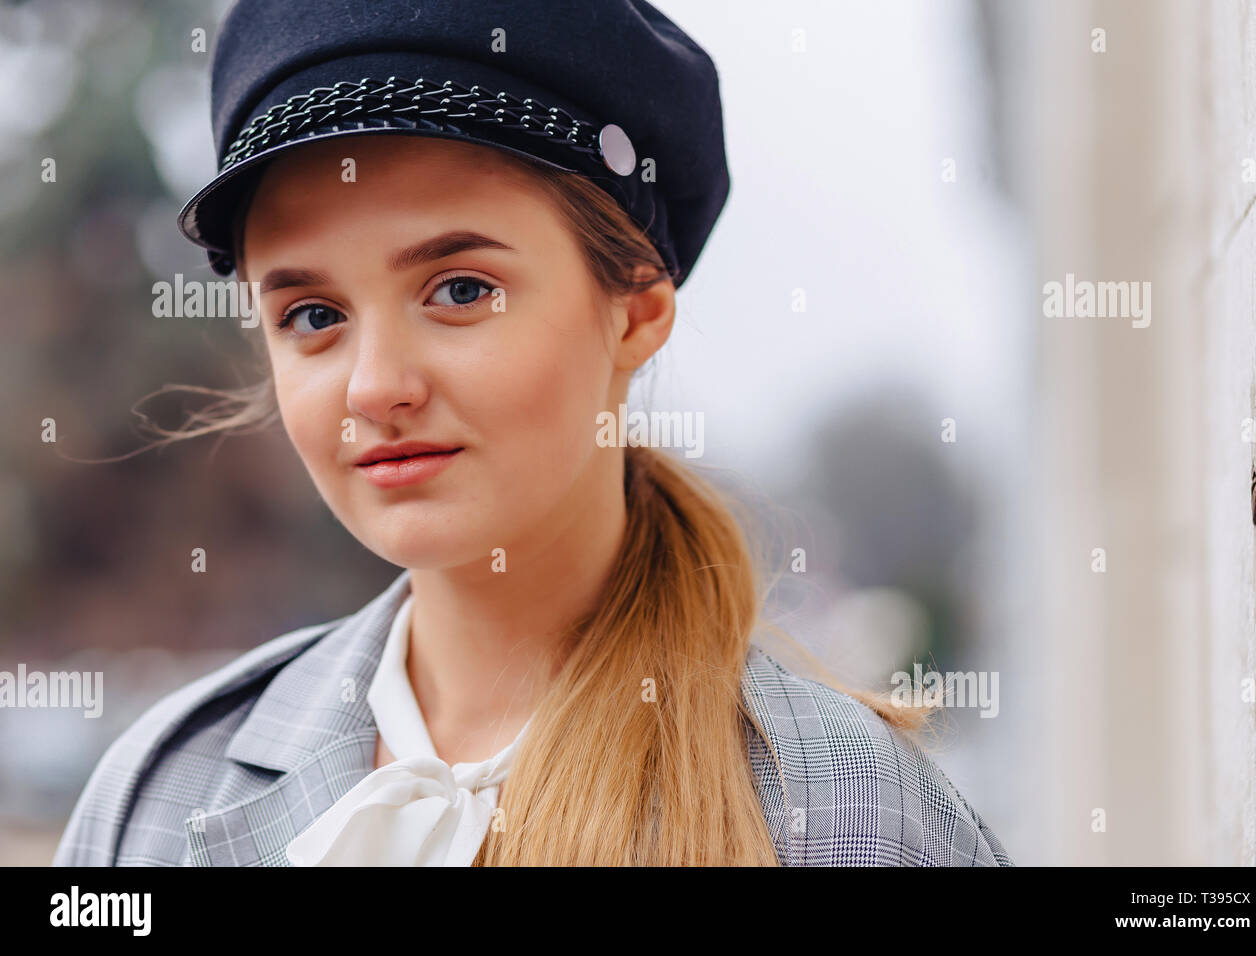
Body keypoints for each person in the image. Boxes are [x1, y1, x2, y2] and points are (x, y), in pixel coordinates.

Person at [52, 0, 1013, 867]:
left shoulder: (847, 816)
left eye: (461, 290)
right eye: (311, 315)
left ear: (634, 312)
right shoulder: (153, 801)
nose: (377, 387)